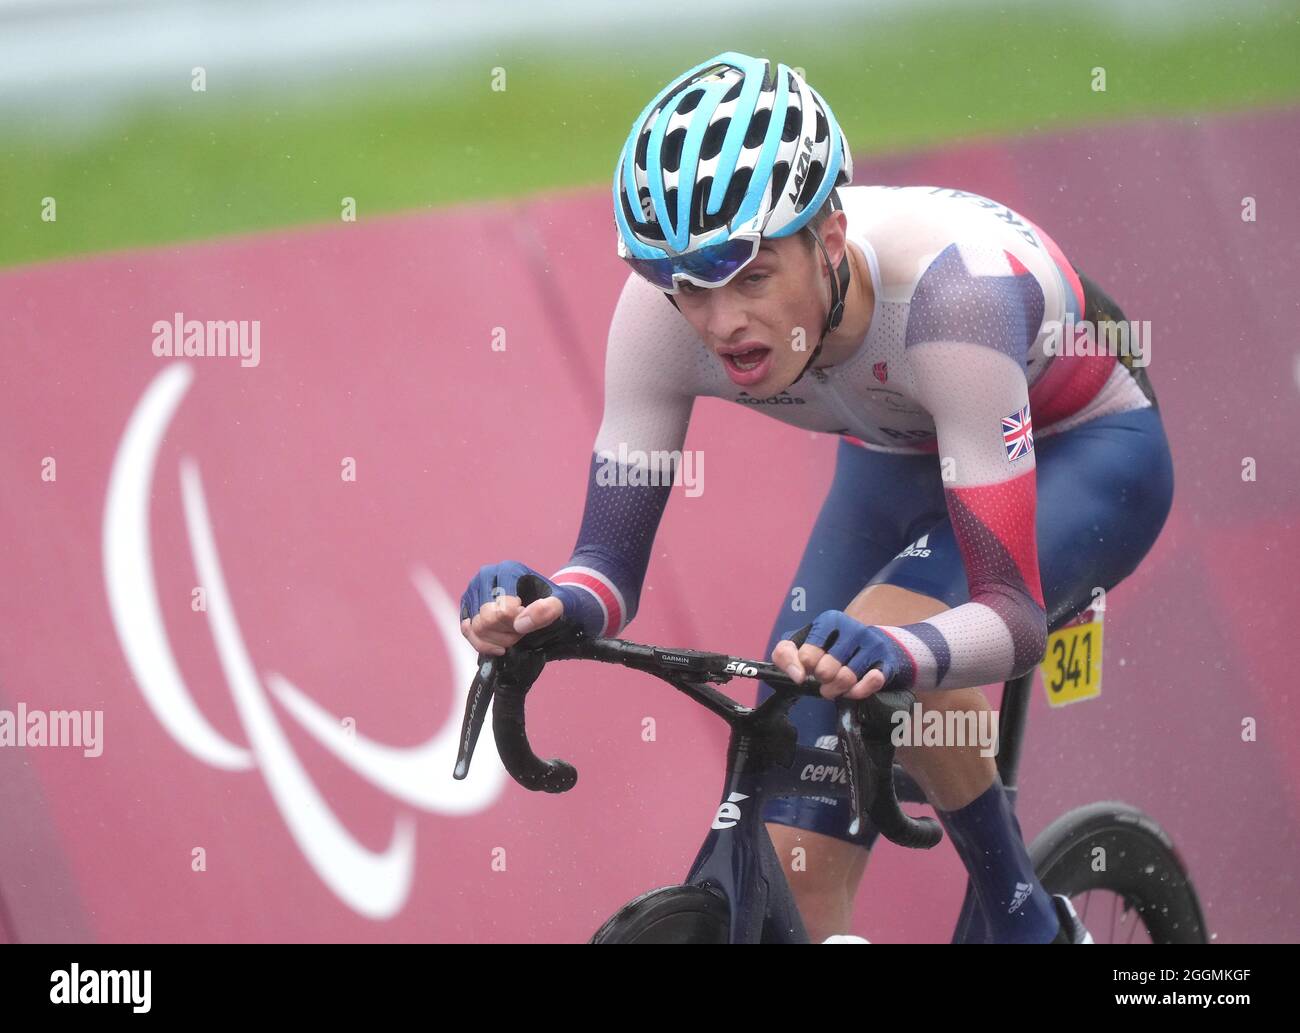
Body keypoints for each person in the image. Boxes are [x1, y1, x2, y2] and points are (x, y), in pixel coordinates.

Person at [460, 52, 1172, 944]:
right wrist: (549, 606)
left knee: (886, 636)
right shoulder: (657, 317)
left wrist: (903, 646)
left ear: (829, 240)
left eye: (752, 278)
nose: (720, 322)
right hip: (896, 443)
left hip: (1085, 445)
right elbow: (608, 568)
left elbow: (1014, 616)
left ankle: (1027, 921)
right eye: (690, 286)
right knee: (792, 808)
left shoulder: (956, 301)